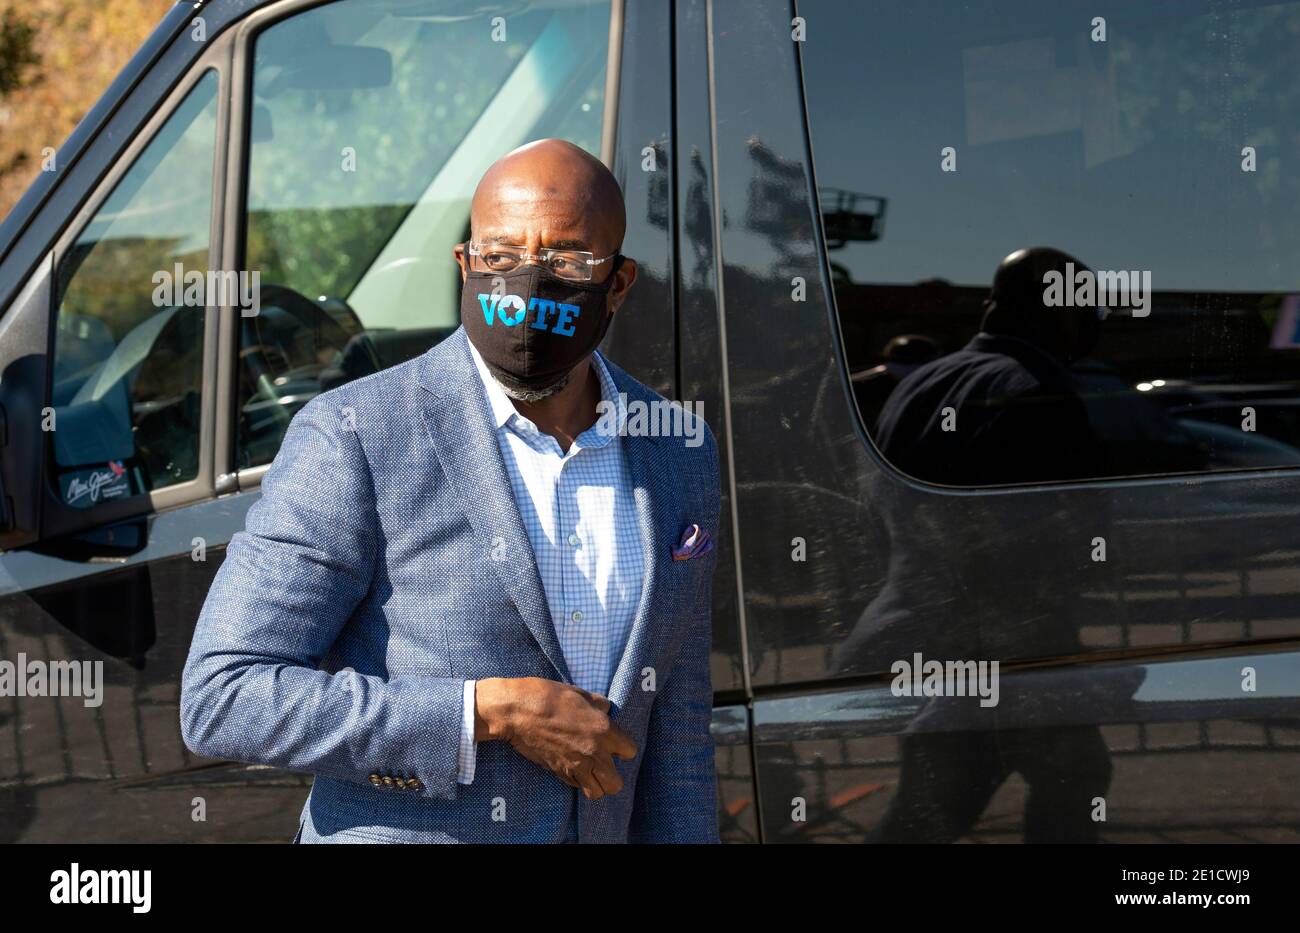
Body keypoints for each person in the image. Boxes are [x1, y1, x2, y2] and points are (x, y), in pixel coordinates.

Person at [180, 139, 722, 844]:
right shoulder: (357, 435)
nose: (528, 284)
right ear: (465, 263)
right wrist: (483, 714)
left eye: (565, 261)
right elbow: (224, 696)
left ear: (617, 284)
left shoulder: (676, 450)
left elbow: (676, 731)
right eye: (500, 257)